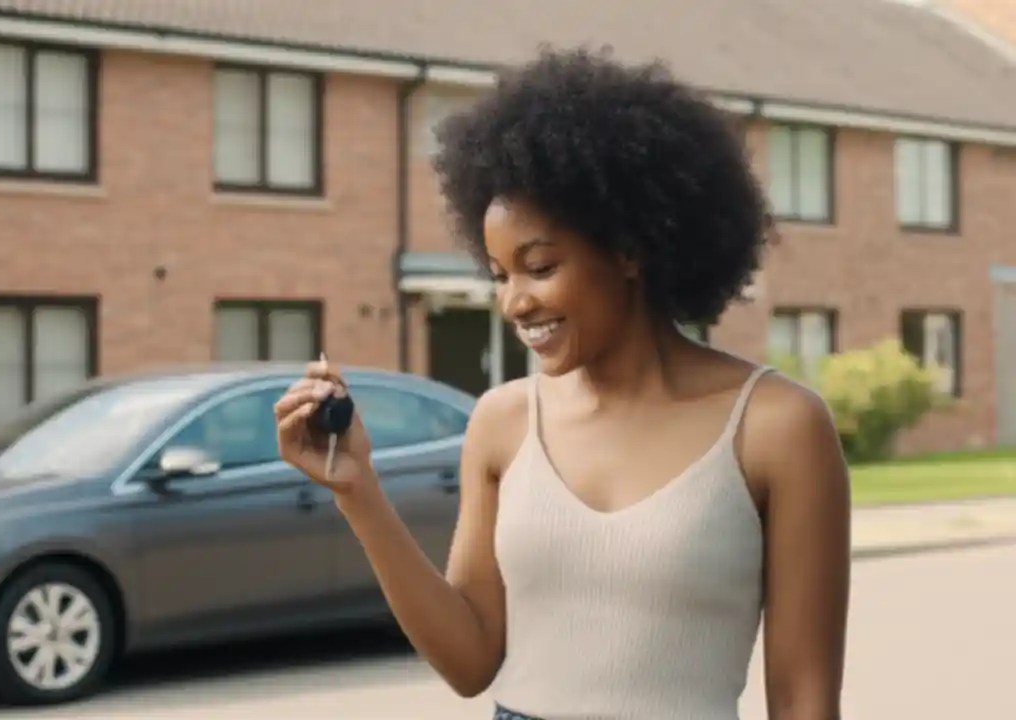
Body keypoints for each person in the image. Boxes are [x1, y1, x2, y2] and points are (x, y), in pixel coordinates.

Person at [274, 47, 850, 720]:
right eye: (499, 275)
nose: (514, 302)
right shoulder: (503, 421)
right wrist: (358, 492)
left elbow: (804, 698)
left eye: (539, 266)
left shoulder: (778, 427)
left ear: (630, 249)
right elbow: (469, 661)